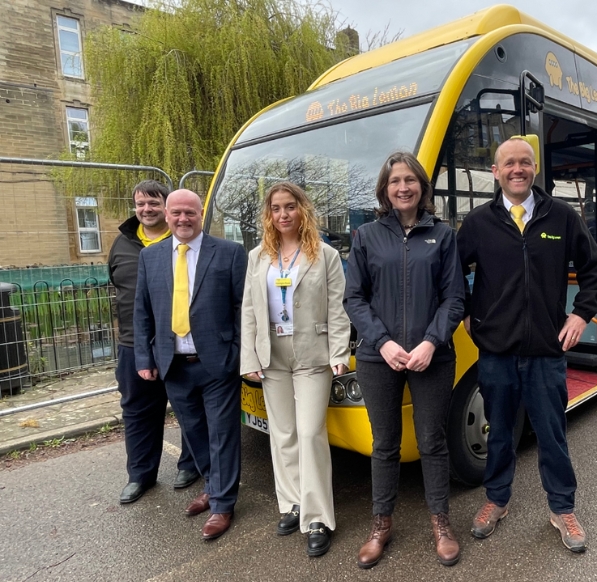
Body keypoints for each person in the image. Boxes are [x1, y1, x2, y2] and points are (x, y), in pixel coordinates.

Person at [456, 137, 597, 553]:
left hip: (545, 350)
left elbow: (594, 268)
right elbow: (451, 274)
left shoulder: (561, 217)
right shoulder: (478, 223)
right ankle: (496, 500)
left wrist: (581, 314)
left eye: (525, 163)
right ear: (496, 172)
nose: (517, 169)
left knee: (552, 434)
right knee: (499, 432)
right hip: (497, 351)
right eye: (509, 163)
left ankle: (562, 508)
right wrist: (468, 313)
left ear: (534, 169)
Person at [344, 152, 465, 568]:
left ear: (421, 186)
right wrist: (382, 343)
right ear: (385, 188)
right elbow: (354, 298)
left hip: (433, 356)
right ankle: (381, 523)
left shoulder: (443, 235)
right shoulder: (366, 237)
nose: (403, 187)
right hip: (379, 359)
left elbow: (455, 298)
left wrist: (432, 342)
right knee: (384, 445)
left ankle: (441, 522)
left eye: (410, 180)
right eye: (395, 180)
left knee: (432, 441)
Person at [240, 181, 351, 557]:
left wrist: (340, 352)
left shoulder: (325, 255)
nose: (283, 214)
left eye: (290, 206)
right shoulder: (258, 257)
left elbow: (337, 308)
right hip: (272, 354)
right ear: (268, 215)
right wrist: (250, 358)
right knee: (282, 432)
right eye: (276, 208)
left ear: (303, 210)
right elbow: (249, 311)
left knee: (309, 432)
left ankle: (318, 516)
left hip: (312, 353)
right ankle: (292, 505)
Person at [134, 189, 247, 541]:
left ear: (201, 214)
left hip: (217, 363)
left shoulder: (229, 253)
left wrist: (239, 354)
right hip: (172, 364)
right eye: (177, 213)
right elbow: (142, 312)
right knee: (195, 433)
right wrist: (144, 358)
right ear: (167, 215)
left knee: (223, 433)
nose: (183, 219)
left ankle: (223, 505)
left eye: (190, 213)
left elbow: (245, 309)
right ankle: (213, 486)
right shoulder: (150, 257)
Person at [110, 180, 199, 504]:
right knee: (137, 413)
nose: (146, 209)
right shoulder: (122, 244)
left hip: (178, 344)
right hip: (134, 344)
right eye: (140, 203)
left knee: (189, 408)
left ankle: (190, 465)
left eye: (153, 203)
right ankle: (140, 475)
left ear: (167, 206)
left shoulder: (182, 239)